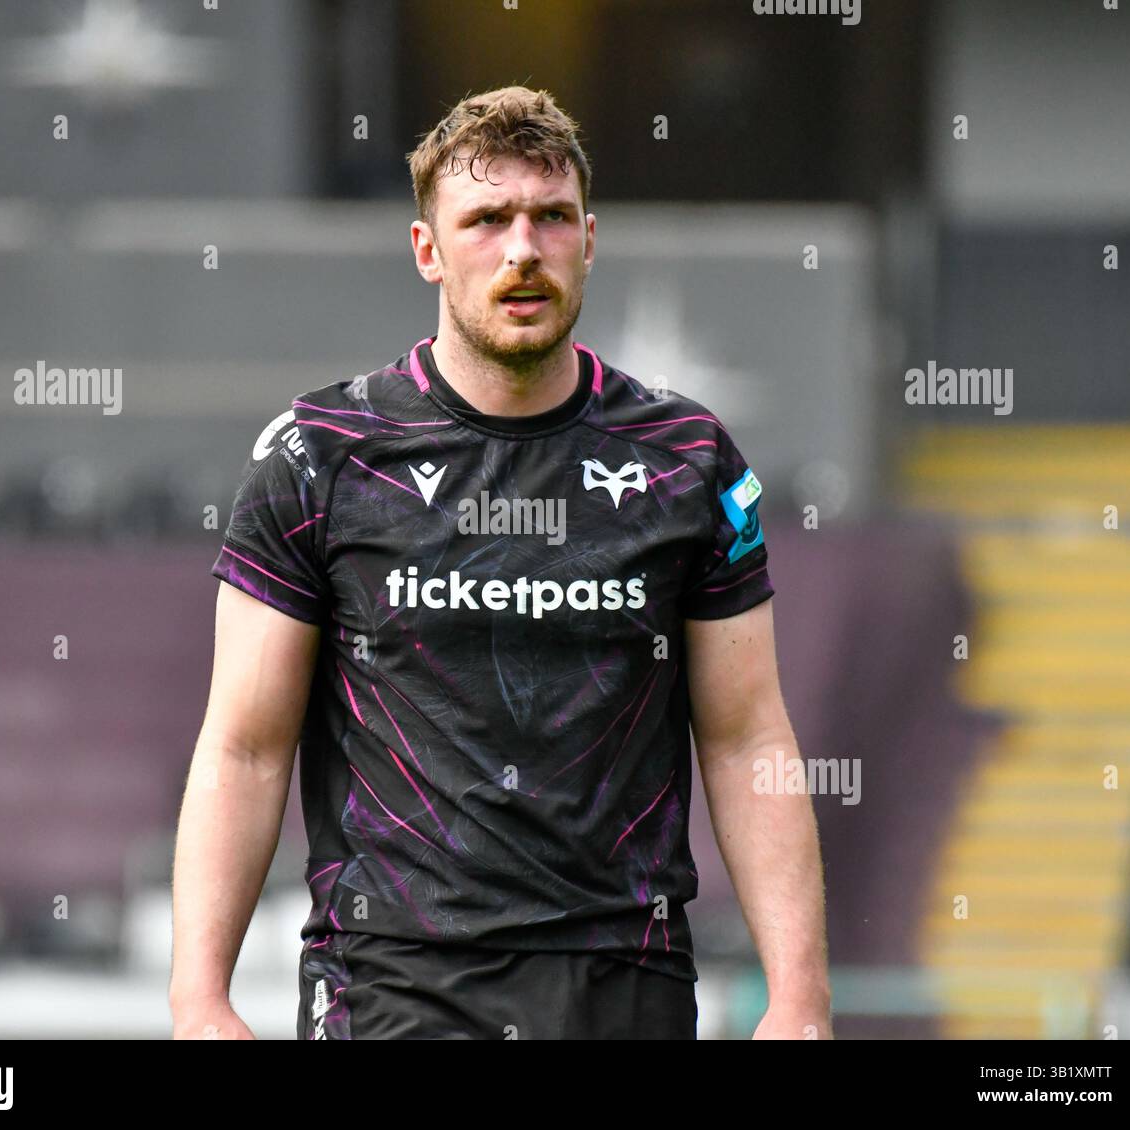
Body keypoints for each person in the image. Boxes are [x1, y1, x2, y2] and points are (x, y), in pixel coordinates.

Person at [170, 85, 831, 1040]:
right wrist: (199, 1001)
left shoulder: (689, 458)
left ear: (589, 240)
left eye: (550, 217)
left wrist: (802, 998)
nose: (523, 248)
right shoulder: (318, 454)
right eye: (486, 220)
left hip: (625, 982)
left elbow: (747, 739)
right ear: (428, 252)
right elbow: (243, 744)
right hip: (391, 982)